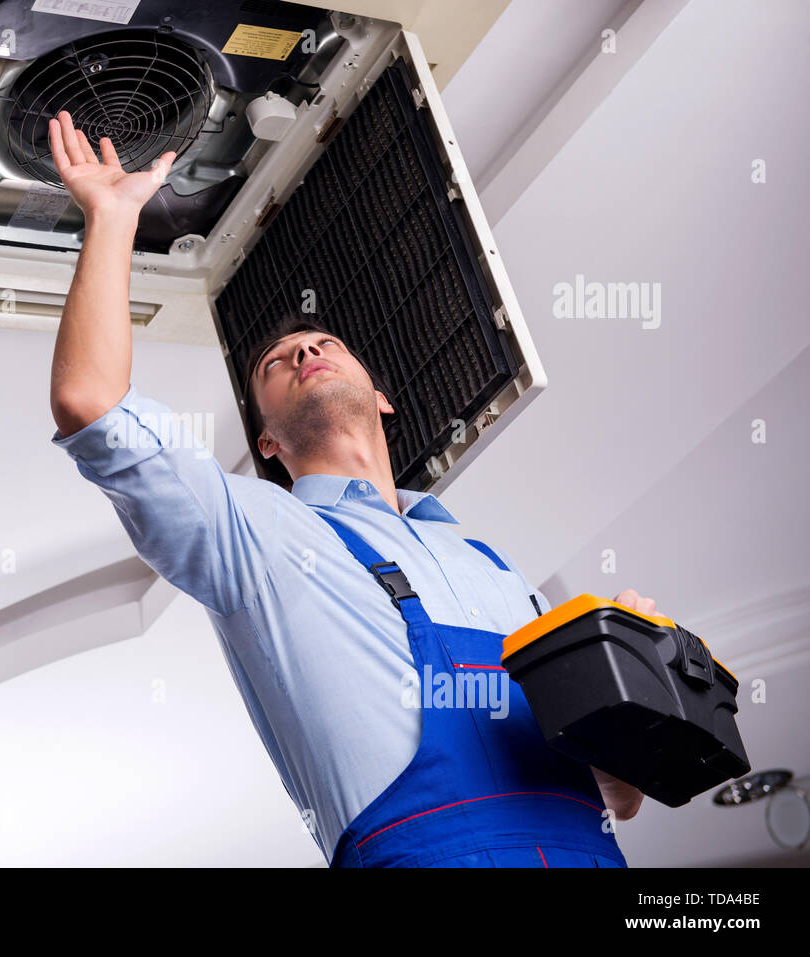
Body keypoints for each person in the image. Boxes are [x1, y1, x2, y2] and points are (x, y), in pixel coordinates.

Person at [46, 109, 646, 867]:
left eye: (325, 344)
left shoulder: (496, 567)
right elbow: (91, 402)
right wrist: (111, 213)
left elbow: (617, 794)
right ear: (266, 440)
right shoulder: (251, 532)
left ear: (383, 398)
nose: (305, 350)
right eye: (278, 362)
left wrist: (630, 672)